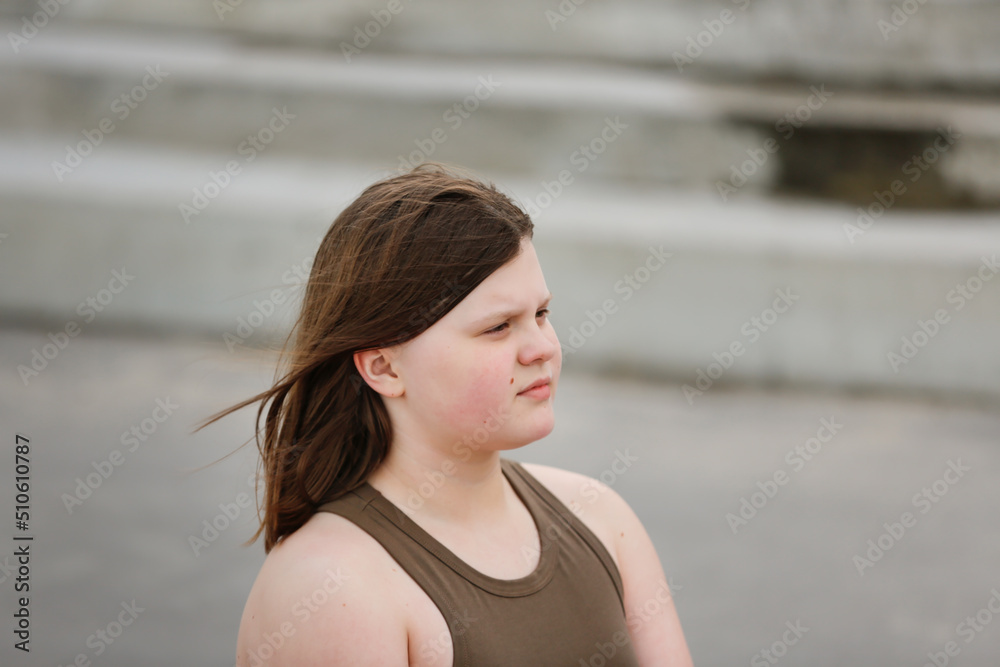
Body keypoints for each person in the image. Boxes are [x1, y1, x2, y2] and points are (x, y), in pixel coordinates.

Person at [202, 163, 692, 665]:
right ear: (384, 367)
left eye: (541, 314)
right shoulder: (330, 586)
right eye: (498, 327)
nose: (542, 348)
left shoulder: (601, 518)